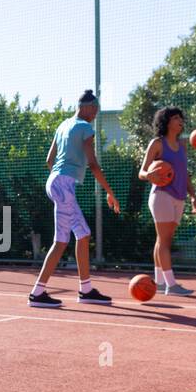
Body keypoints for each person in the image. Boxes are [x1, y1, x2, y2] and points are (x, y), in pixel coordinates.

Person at [28, 89, 121, 307]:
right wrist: (110, 192)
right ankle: (37, 293)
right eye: (95, 109)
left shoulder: (63, 125)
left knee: (83, 234)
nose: (96, 114)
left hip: (56, 182)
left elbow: (49, 159)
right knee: (61, 241)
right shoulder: (84, 127)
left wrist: (60, 178)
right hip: (63, 184)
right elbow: (93, 164)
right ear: (87, 107)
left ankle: (86, 290)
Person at [138, 106, 196, 296]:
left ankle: (159, 282)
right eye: (175, 117)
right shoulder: (157, 143)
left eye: (181, 117)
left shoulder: (182, 145)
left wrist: (193, 195)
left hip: (179, 197)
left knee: (163, 240)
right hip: (161, 195)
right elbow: (142, 172)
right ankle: (171, 285)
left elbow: (184, 174)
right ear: (166, 122)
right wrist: (150, 175)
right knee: (164, 242)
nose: (180, 120)